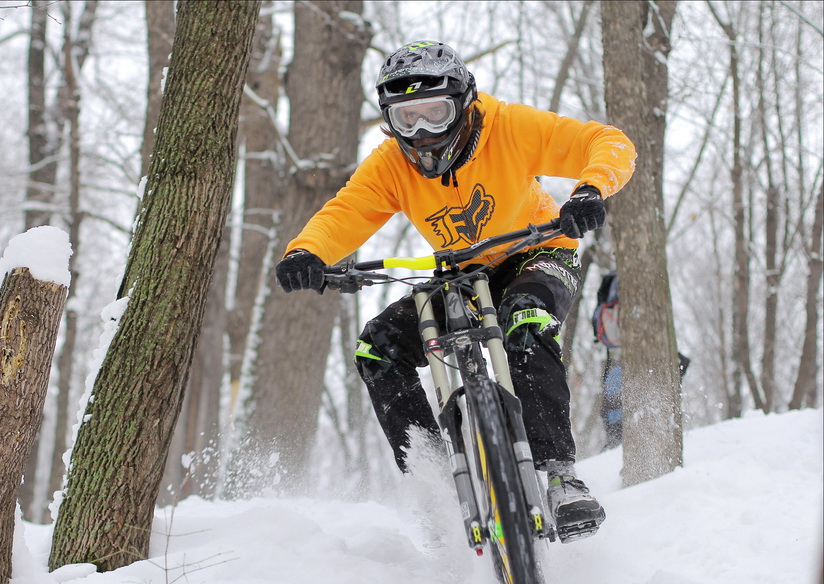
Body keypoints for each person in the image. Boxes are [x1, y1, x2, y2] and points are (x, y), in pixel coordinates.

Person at [275, 40, 636, 542]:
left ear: (464, 104)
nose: (422, 134)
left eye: (434, 113)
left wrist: (590, 189)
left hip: (536, 252)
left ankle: (559, 476)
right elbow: (346, 212)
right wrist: (306, 252)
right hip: (462, 275)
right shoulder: (390, 166)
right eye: (406, 119)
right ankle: (435, 481)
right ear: (389, 120)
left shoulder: (509, 127)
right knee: (375, 348)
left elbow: (607, 141)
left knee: (526, 321)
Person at [593, 271, 691, 450]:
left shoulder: (615, 370)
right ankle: (614, 444)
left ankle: (613, 444)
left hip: (624, 382)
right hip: (625, 394)